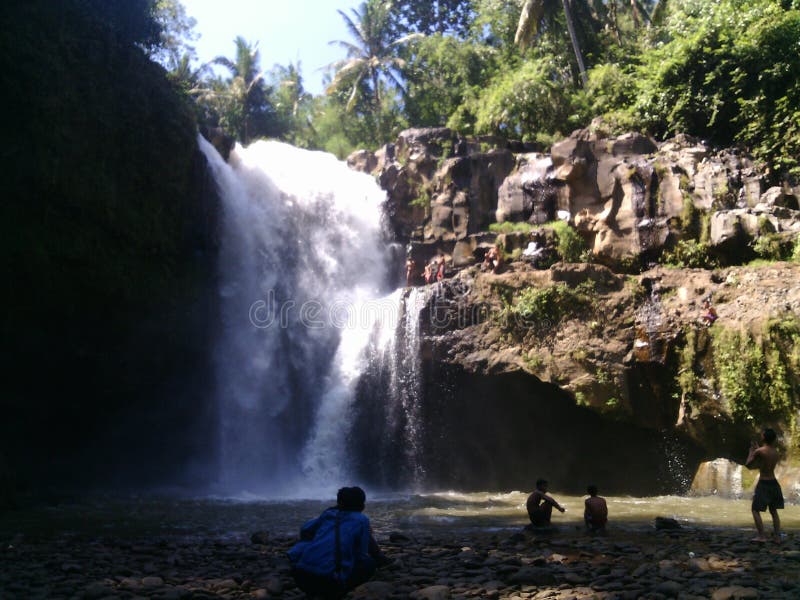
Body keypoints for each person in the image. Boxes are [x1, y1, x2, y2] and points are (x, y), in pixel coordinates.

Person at [288, 486, 386, 598]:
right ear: (362, 505)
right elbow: (361, 555)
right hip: (330, 583)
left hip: (300, 578)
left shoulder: (328, 514)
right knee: (369, 564)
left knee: (306, 546)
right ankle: (338, 593)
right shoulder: (361, 520)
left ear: (339, 502)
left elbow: (305, 530)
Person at [746, 428, 784, 543]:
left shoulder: (759, 451)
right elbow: (766, 459)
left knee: (755, 509)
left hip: (764, 483)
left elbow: (749, 464)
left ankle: (761, 536)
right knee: (773, 510)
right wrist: (757, 450)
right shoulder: (776, 452)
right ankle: (777, 537)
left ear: (763, 437)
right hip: (774, 483)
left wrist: (751, 451)